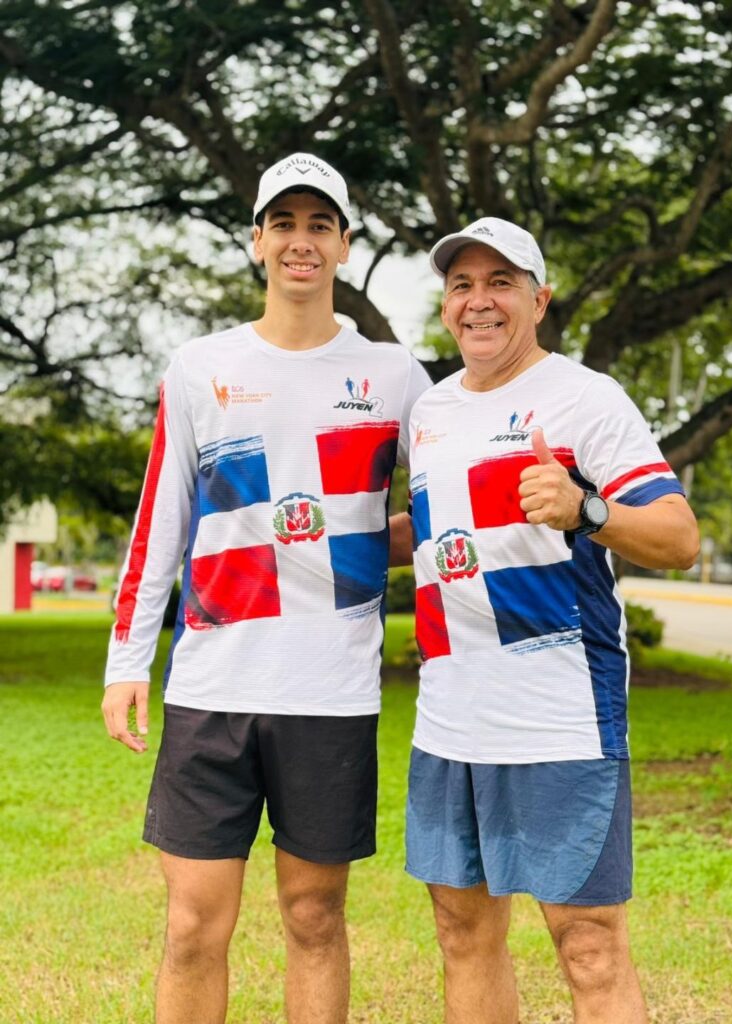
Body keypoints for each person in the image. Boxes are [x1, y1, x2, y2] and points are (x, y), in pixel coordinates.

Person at [101, 152, 431, 1024]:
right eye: (283, 224)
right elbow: (158, 525)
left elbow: (446, 509)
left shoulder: (396, 378)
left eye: (319, 225)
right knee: (191, 927)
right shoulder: (198, 369)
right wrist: (126, 661)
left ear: (346, 246)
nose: (300, 242)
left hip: (331, 691)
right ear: (256, 242)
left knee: (315, 918)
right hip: (213, 688)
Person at [404, 217, 700, 1024]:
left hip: (559, 715)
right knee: (462, 933)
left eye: (501, 282)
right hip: (449, 714)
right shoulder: (428, 411)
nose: (480, 301)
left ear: (539, 299)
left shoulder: (584, 397)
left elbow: (677, 536)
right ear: (446, 307)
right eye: (462, 284)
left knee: (589, 947)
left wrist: (586, 508)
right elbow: (439, 536)